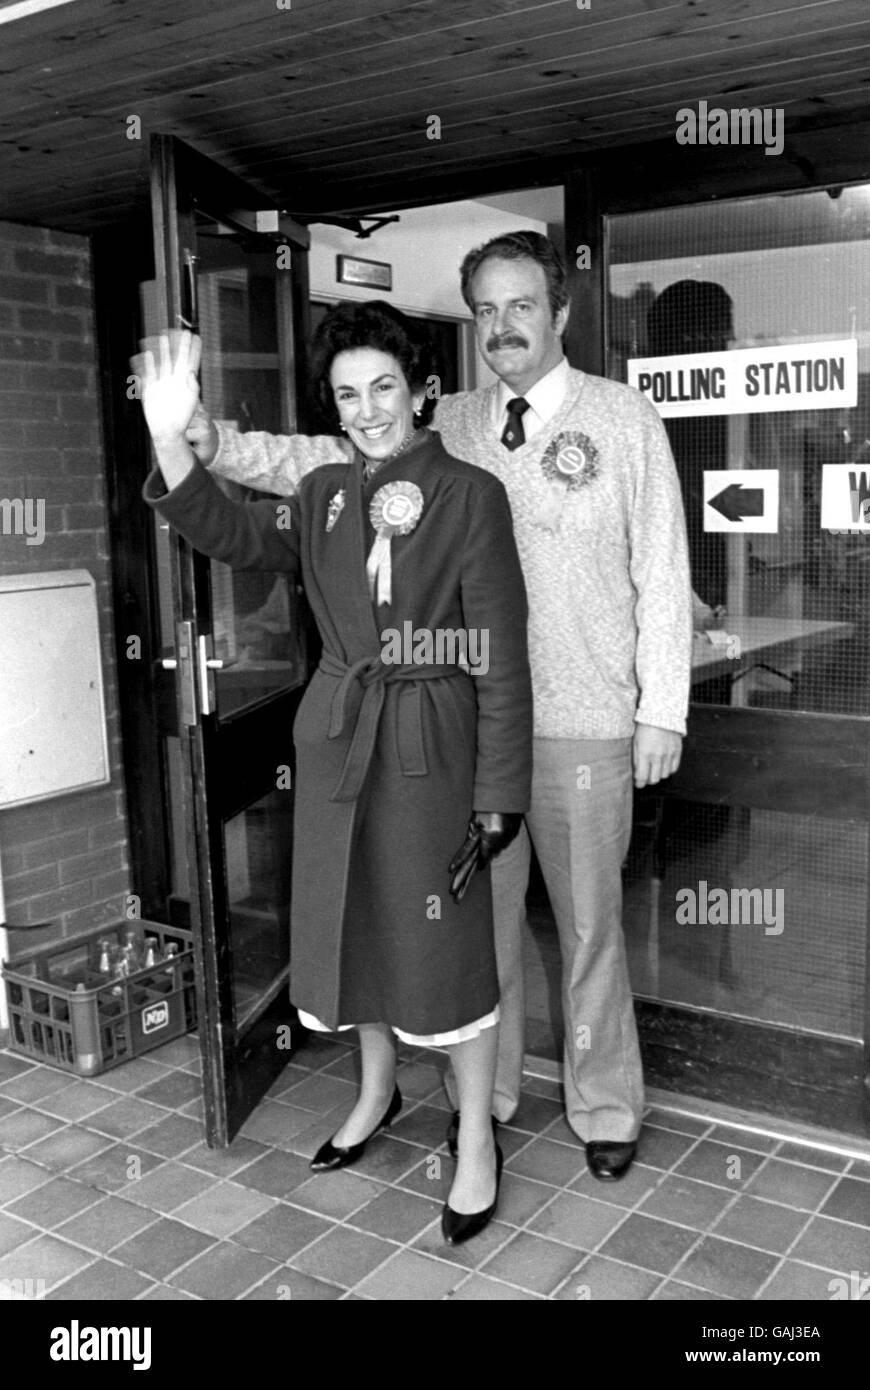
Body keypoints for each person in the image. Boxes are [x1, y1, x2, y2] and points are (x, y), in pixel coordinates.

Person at [188, 232, 693, 1182]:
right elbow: (319, 455)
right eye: (486, 311)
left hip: (585, 718)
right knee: (479, 931)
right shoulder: (446, 417)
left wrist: (660, 708)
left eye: (522, 306)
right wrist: (213, 444)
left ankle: (605, 1104)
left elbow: (663, 574)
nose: (503, 326)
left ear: (562, 314)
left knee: (589, 929)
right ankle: (485, 1100)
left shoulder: (623, 420)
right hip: (468, 728)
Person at [134, 304, 533, 1244]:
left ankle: (475, 1140)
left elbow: (503, 659)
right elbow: (233, 537)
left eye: (383, 388)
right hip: (338, 738)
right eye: (348, 394)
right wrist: (168, 435)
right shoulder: (322, 495)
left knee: (445, 947)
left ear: (420, 389)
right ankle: (376, 1092)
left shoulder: (472, 494)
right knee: (354, 923)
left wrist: (498, 792)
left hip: (432, 743)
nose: (366, 411)